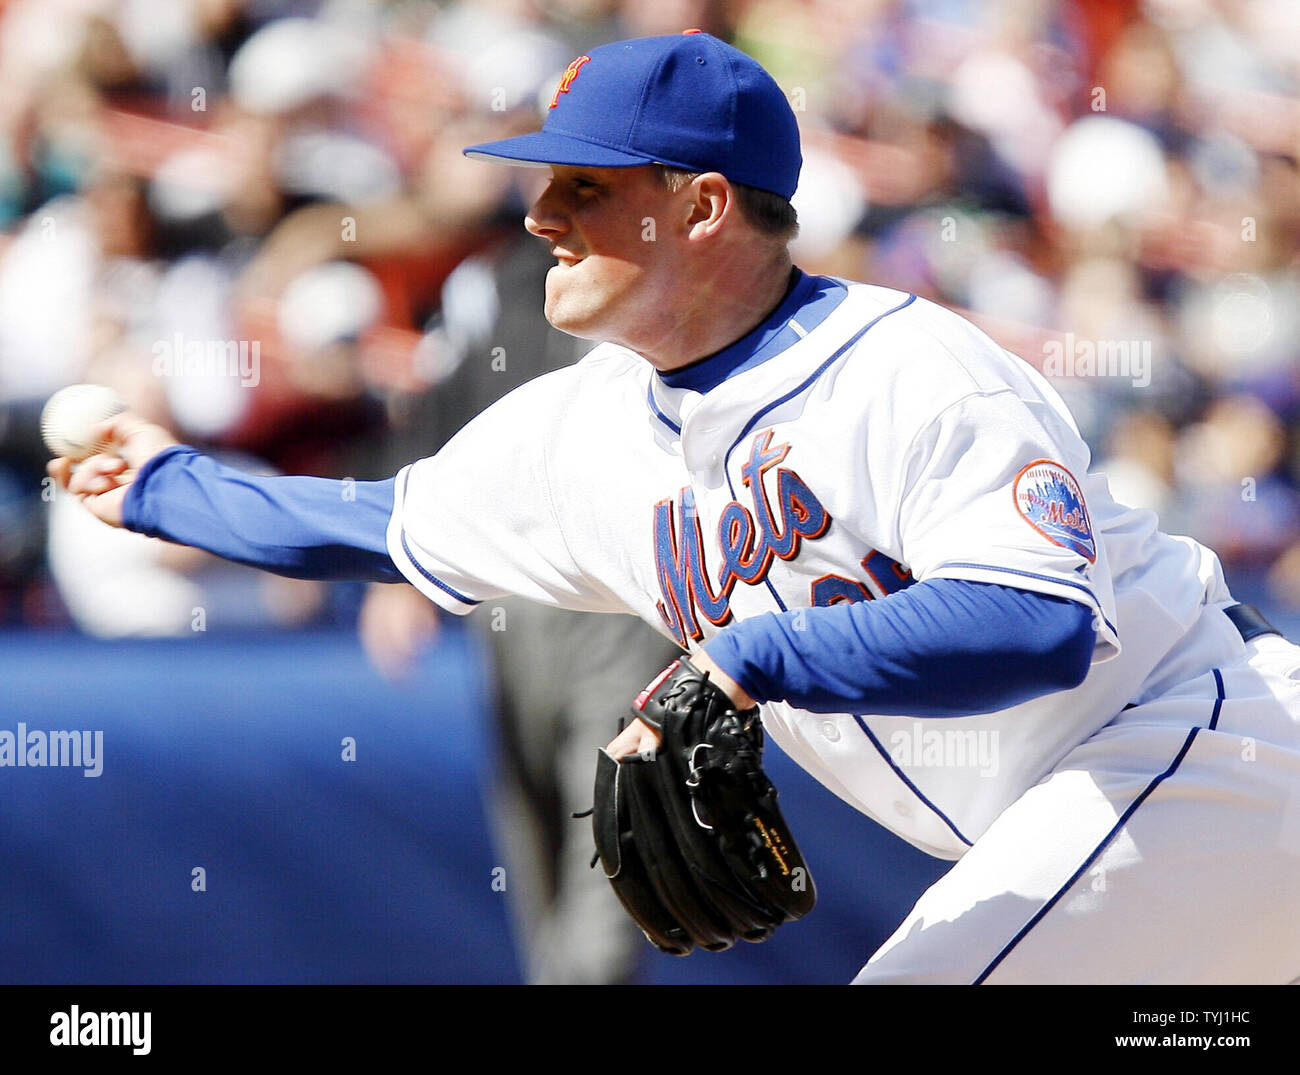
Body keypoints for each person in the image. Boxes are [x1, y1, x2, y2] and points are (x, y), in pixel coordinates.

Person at [51, 31, 1300, 984]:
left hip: (1200, 746)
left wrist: (754, 657)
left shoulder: (909, 367)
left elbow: (1036, 623)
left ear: (702, 205)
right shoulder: (581, 428)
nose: (539, 214)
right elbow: (379, 524)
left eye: (585, 188)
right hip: (1092, 810)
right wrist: (164, 486)